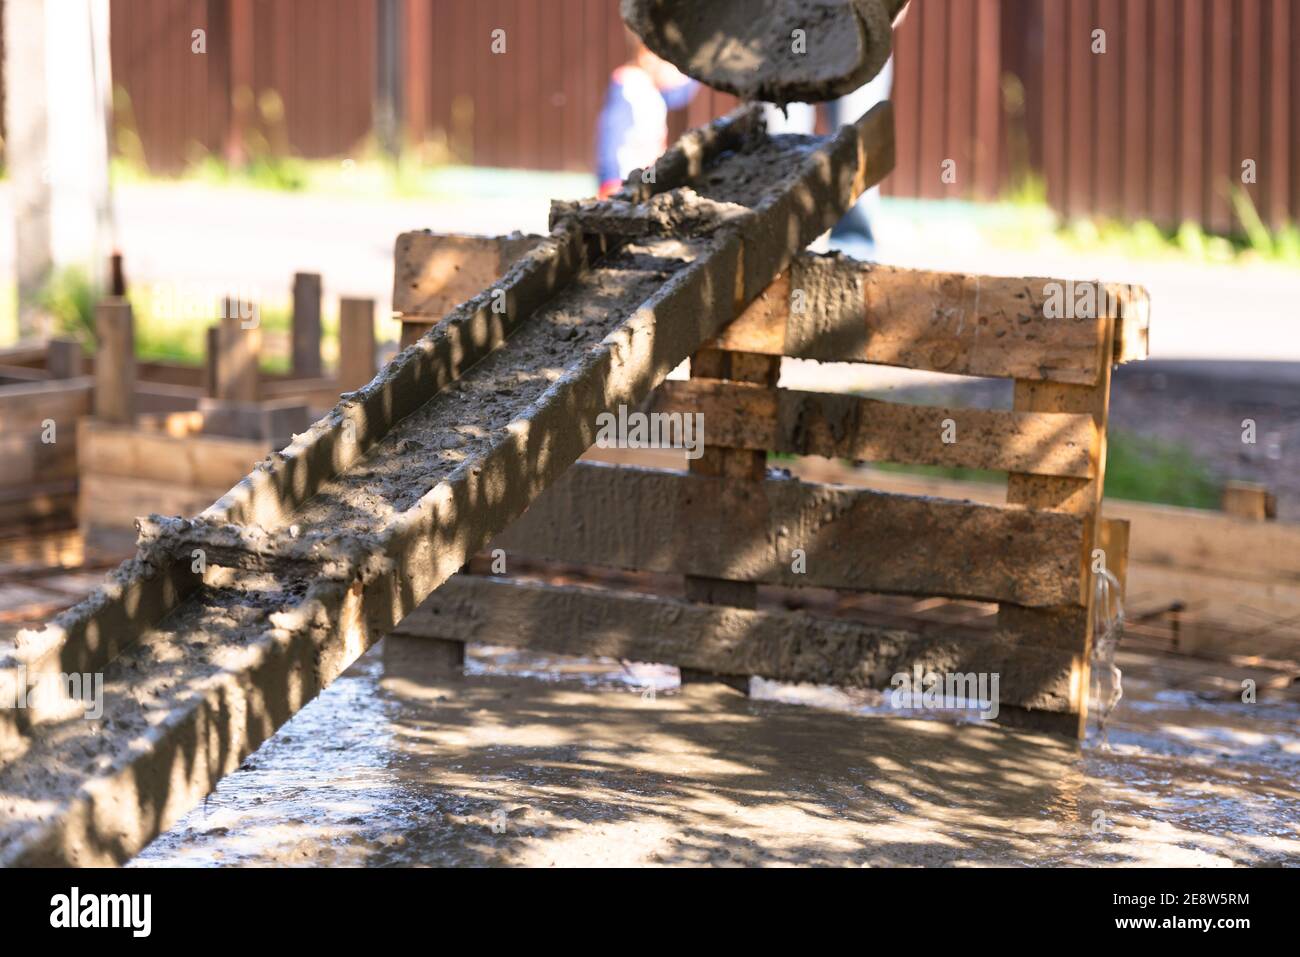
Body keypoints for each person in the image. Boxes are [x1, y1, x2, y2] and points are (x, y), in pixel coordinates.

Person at [595, 37, 698, 199]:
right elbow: (612, 135)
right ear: (647, 57)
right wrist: (611, 180)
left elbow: (678, 95)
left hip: (647, 173)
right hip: (624, 177)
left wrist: (698, 69)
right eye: (668, 63)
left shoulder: (651, 88)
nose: (673, 70)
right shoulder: (630, 87)